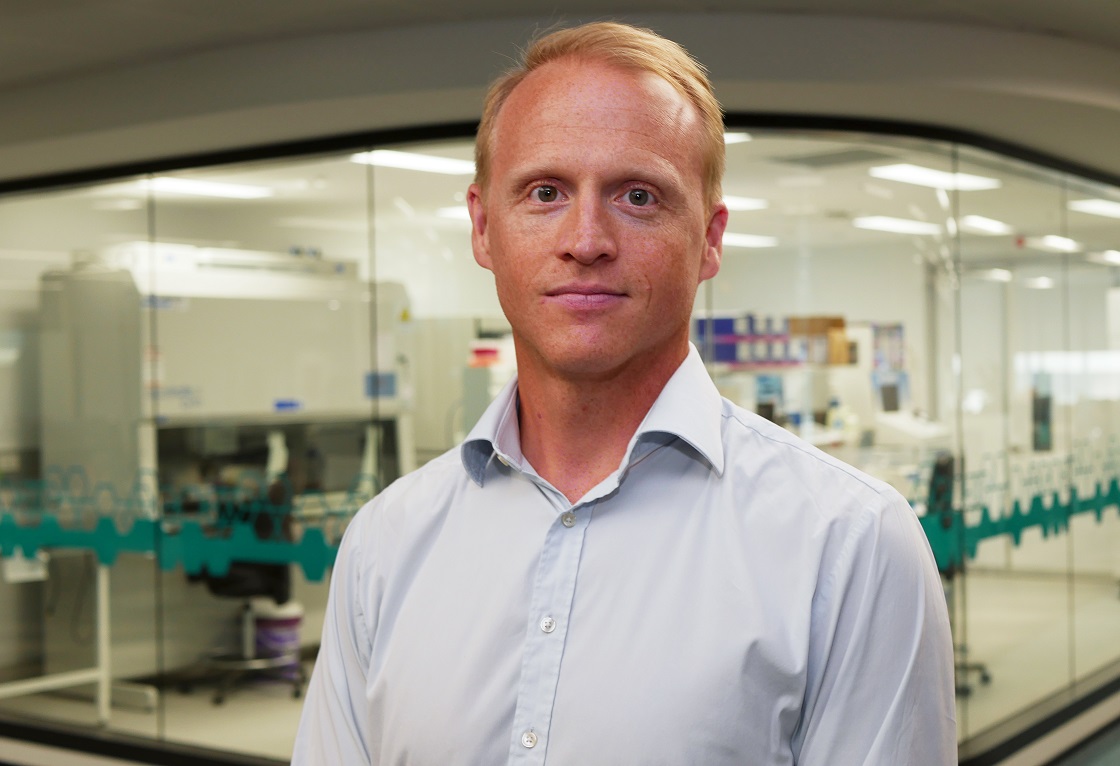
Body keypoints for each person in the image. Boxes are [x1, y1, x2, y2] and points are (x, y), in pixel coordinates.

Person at [292, 21, 957, 765]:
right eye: (545, 192)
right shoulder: (385, 545)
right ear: (482, 228)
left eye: (638, 197)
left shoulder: (850, 544)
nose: (586, 240)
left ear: (709, 239)